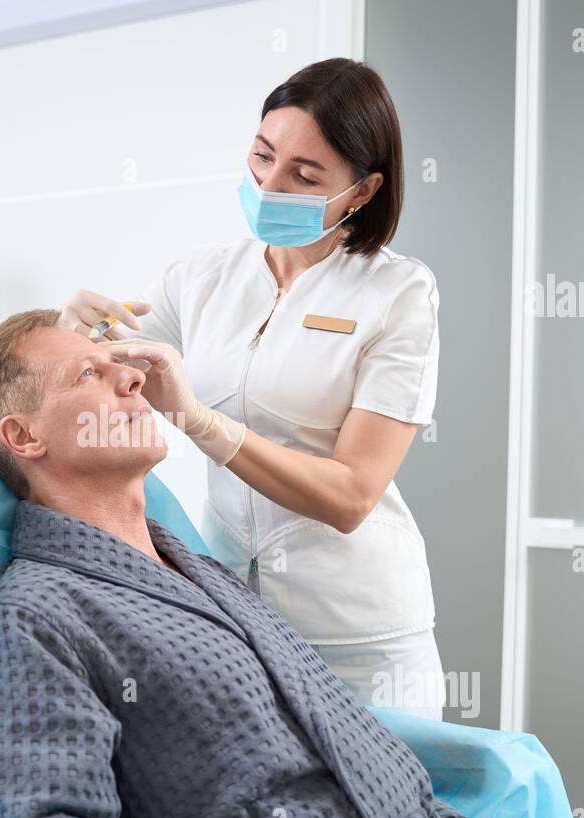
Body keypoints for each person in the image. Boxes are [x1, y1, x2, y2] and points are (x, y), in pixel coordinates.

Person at [0, 308, 561, 818]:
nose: (133, 379)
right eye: (88, 373)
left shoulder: (203, 575)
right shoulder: (29, 618)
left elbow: (338, 739)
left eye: (122, 364)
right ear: (24, 437)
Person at [59, 58, 447, 720]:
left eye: (304, 175)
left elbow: (353, 495)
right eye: (263, 156)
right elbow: (112, 376)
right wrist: (74, 340)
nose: (269, 184)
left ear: (362, 190)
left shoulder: (398, 293)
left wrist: (201, 422)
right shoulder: (201, 277)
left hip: (357, 638)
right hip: (238, 624)